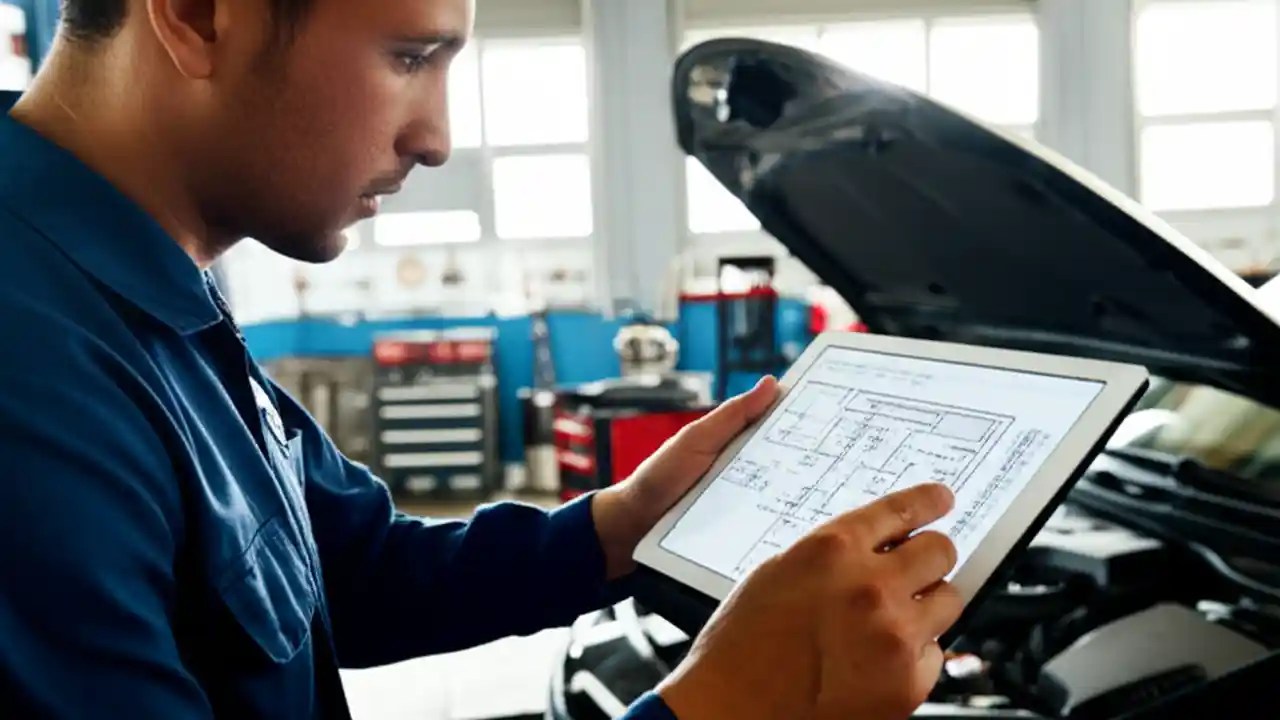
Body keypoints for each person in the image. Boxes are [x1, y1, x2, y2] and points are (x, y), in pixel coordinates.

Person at [0, 0, 963, 718]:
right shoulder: (28, 368)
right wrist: (727, 702)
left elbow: (351, 571)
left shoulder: (140, 280)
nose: (437, 138)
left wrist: (621, 525)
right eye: (409, 56)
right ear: (200, 16)